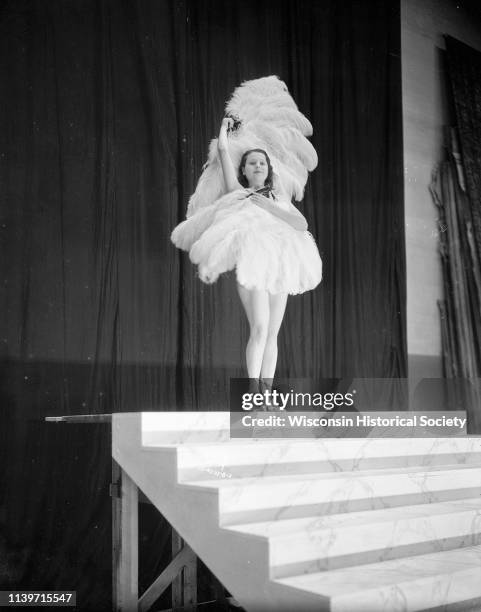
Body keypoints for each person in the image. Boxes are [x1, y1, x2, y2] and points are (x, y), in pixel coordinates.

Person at [171, 116, 323, 403]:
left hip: (279, 268)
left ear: (268, 170)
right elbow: (224, 153)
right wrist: (224, 130)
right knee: (260, 327)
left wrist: (270, 204)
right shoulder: (238, 194)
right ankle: (254, 394)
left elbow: (301, 225)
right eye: (252, 162)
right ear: (244, 169)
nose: (257, 166)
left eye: (262, 163)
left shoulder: (278, 199)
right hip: (254, 268)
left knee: (272, 334)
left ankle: (266, 396)